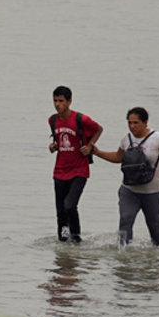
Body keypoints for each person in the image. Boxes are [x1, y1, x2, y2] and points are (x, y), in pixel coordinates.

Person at [92, 107, 159, 246]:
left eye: (136, 123)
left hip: (153, 192)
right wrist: (98, 152)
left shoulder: (158, 138)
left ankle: (158, 256)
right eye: (129, 123)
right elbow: (118, 157)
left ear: (145, 122)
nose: (132, 126)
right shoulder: (126, 139)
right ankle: (124, 256)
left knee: (154, 226)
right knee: (125, 219)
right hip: (129, 190)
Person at [47, 86, 103, 243]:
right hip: (59, 171)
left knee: (70, 205)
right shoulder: (52, 120)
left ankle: (77, 239)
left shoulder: (81, 119)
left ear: (69, 101)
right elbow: (60, 139)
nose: (57, 104)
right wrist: (54, 146)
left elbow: (99, 129)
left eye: (61, 101)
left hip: (79, 170)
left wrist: (90, 146)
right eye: (55, 101)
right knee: (60, 211)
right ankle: (63, 243)